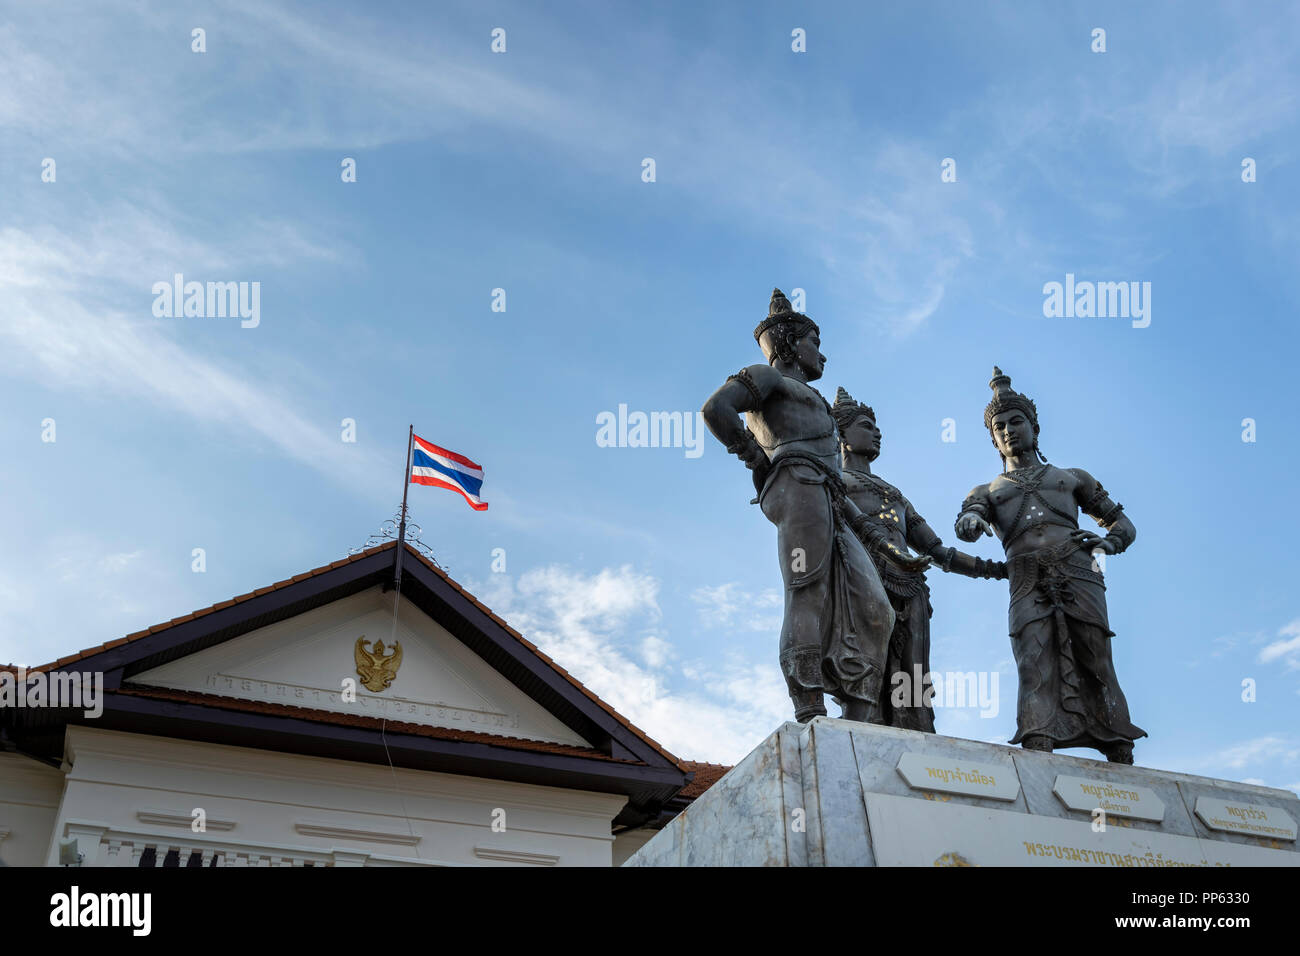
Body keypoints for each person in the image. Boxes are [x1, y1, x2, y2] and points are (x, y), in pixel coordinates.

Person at [702, 290, 928, 723]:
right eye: (815, 343)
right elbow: (716, 410)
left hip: (829, 498)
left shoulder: (814, 399)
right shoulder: (766, 378)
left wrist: (886, 546)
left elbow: (843, 492)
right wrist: (758, 459)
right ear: (790, 343)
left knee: (876, 608)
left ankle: (859, 717)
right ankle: (809, 707)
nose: (821, 354)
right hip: (799, 488)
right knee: (807, 591)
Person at [954, 368, 1146, 762]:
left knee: (1096, 656)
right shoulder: (987, 491)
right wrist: (971, 523)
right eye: (1000, 426)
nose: (1009, 431)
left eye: (1016, 421)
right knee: (1032, 660)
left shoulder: (1071, 477)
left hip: (1078, 571)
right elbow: (966, 520)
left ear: (1034, 427)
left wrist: (1109, 541)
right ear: (993, 439)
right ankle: (1038, 742)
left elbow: (1123, 524)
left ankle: (1118, 747)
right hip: (1025, 578)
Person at [832, 386, 1006, 731]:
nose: (877, 433)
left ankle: (917, 732)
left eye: (877, 426)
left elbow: (938, 551)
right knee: (867, 661)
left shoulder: (895, 494)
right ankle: (865, 724)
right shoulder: (837, 482)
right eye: (867, 426)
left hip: (910, 585)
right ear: (842, 435)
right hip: (862, 578)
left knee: (913, 672)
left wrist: (995, 569)